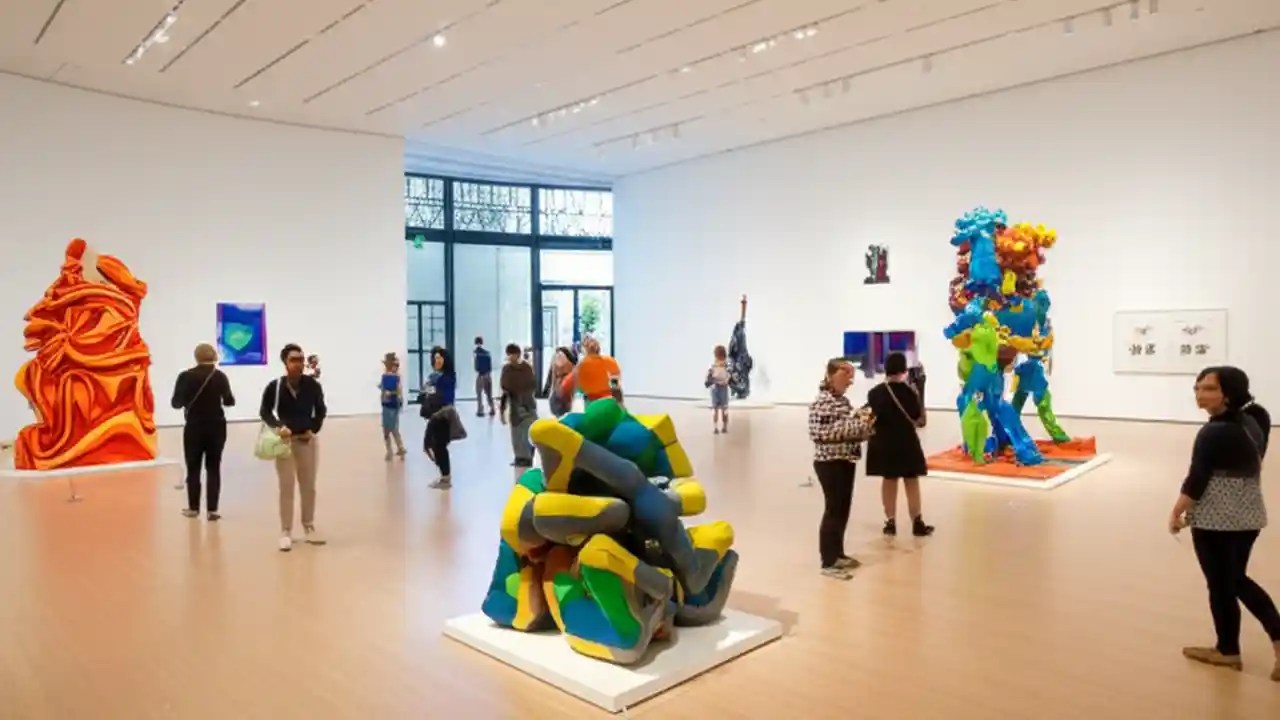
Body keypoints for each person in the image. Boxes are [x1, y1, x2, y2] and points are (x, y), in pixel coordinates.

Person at [1170, 366, 1279, 680]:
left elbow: (1196, 480)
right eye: (1197, 388)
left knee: (1230, 583)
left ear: (1228, 393)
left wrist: (1176, 512)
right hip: (1249, 513)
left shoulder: (1213, 432)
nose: (1200, 395)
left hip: (1216, 519)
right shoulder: (1257, 418)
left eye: (1209, 389)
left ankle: (1272, 640)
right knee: (1226, 583)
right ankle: (1227, 650)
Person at [808, 358, 875, 580]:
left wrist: (863, 426)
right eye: (845, 374)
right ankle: (828, 561)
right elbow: (822, 433)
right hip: (829, 463)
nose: (850, 380)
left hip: (845, 460)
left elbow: (851, 429)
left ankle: (837, 554)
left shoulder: (842, 402)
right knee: (834, 510)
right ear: (832, 374)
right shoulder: (822, 402)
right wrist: (859, 425)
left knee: (843, 509)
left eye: (850, 375)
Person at [261, 344, 328, 552]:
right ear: (285, 362)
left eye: (301, 359)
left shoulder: (312, 386)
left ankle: (308, 526)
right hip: (285, 443)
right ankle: (286, 530)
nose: (298, 364)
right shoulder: (275, 386)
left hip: (306, 441)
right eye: (294, 360)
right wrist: (278, 426)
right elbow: (265, 411)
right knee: (287, 487)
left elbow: (321, 410)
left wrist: (313, 429)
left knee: (308, 486)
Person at [866, 351, 934, 537]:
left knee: (889, 480)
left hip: (884, 443)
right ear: (904, 369)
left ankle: (890, 521)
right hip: (907, 442)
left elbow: (871, 416)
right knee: (911, 481)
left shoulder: (875, 393)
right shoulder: (910, 392)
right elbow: (918, 418)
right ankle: (917, 521)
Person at [170, 343, 235, 520]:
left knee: (193, 468)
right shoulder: (220, 376)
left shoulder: (185, 376)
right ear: (214, 356)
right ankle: (213, 510)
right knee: (214, 467)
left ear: (196, 356)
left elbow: (176, 403)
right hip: (217, 427)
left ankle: (193, 508)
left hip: (194, 427)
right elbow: (230, 401)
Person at [421, 346, 460, 489]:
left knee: (439, 446)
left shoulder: (447, 377)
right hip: (434, 415)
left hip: (443, 415)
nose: (437, 361)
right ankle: (444, 473)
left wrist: (433, 394)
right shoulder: (433, 377)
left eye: (439, 358)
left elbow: (446, 398)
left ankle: (445, 477)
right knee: (430, 446)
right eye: (435, 358)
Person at [500, 343, 538, 468]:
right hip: (517, 405)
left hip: (526, 404)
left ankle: (527, 457)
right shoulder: (508, 369)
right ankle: (520, 457)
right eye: (509, 354)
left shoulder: (526, 368)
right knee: (516, 433)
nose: (510, 357)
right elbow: (505, 389)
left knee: (526, 431)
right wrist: (502, 409)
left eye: (512, 354)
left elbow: (532, 385)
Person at [577, 337, 621, 406]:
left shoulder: (582, 364)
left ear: (584, 350)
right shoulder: (609, 360)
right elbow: (615, 381)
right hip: (607, 398)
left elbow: (579, 386)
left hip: (591, 399)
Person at [380, 352, 407, 461]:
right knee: (387, 429)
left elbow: (398, 391)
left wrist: (390, 394)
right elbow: (383, 390)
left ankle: (399, 448)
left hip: (392, 405)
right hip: (387, 405)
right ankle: (391, 450)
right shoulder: (385, 377)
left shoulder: (396, 378)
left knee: (393, 428)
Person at [541, 346, 578, 418]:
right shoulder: (572, 366)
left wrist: (547, 389)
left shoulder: (559, 362)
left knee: (560, 412)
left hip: (559, 389)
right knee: (564, 411)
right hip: (565, 391)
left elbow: (551, 376)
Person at [705, 345, 731, 434]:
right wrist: (708, 380)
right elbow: (709, 375)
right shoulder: (712, 365)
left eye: (721, 355)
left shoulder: (727, 365)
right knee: (715, 408)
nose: (719, 357)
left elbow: (730, 375)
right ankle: (715, 427)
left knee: (725, 409)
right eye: (718, 355)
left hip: (723, 387)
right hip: (715, 387)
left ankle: (724, 427)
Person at [474, 336, 495, 417]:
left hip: (481, 375)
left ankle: (480, 410)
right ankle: (492, 408)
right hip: (488, 375)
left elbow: (476, 367)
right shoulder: (487, 353)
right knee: (489, 393)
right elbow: (489, 366)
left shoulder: (476, 353)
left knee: (479, 393)